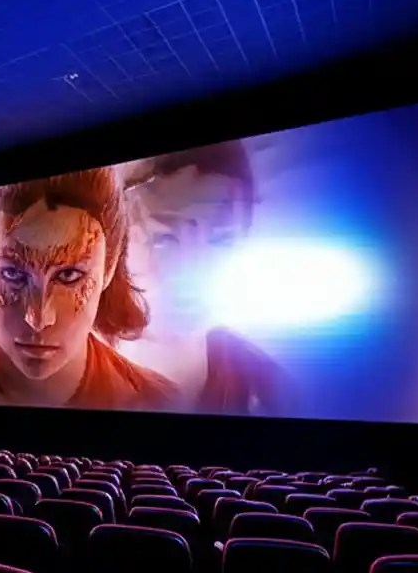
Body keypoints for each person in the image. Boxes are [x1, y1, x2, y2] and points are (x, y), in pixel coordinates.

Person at [0, 167, 178, 410]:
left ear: (109, 268)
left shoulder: (163, 403)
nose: (39, 319)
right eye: (12, 273)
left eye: (68, 275)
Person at [119, 141, 290, 415]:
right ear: (118, 240)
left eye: (220, 240)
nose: (192, 266)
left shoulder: (267, 389)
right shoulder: (61, 370)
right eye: (165, 239)